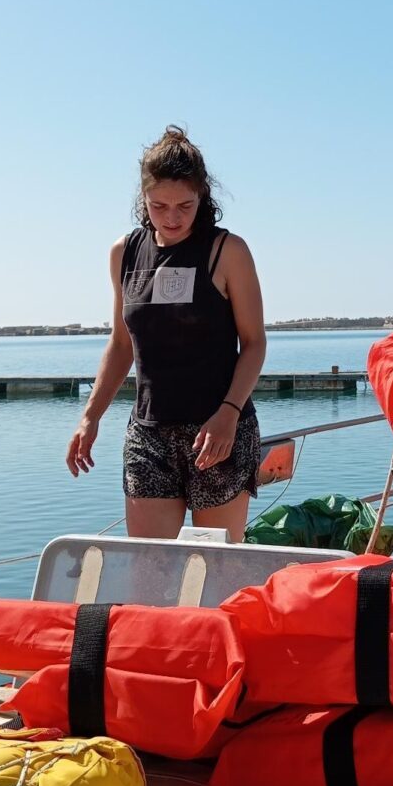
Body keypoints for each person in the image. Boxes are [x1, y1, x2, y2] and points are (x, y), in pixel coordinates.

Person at [66, 126, 267, 543]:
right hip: (148, 435)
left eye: (184, 206)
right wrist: (90, 416)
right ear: (143, 198)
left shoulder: (227, 251)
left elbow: (254, 343)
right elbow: (122, 344)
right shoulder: (124, 253)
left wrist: (229, 412)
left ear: (202, 198)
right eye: (159, 206)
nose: (172, 218)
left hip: (217, 433)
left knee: (216, 574)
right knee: (149, 572)